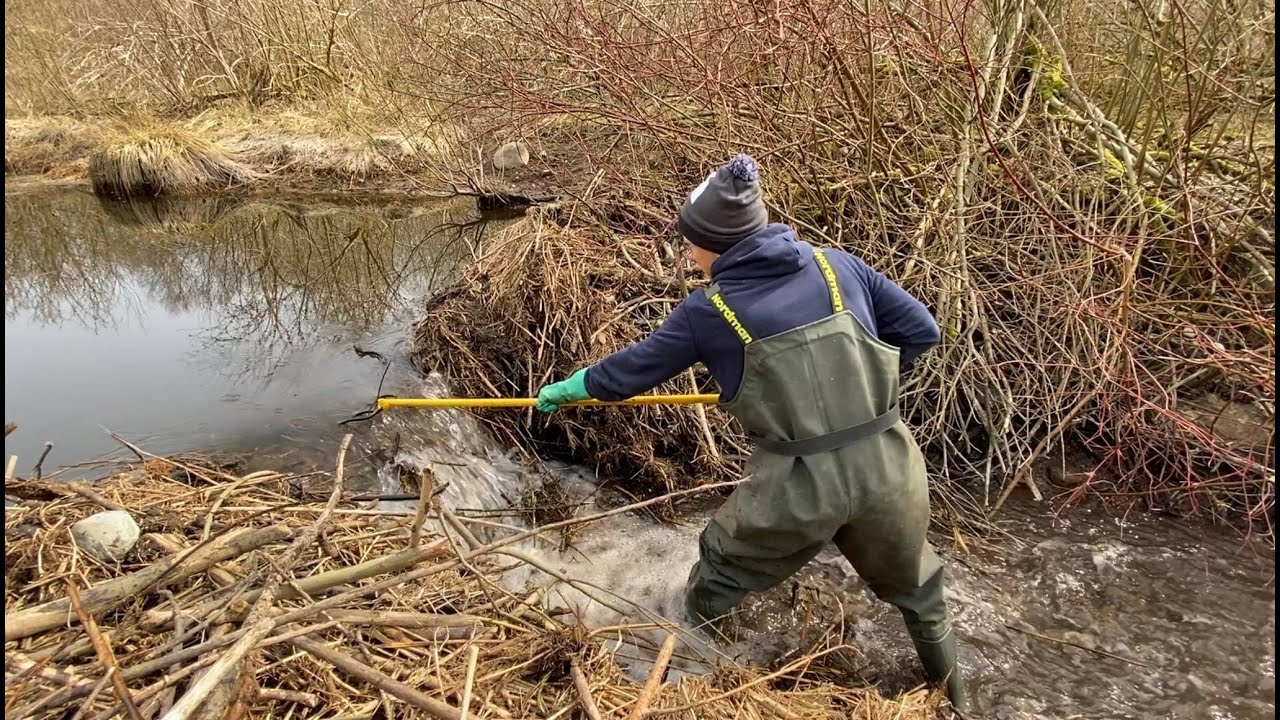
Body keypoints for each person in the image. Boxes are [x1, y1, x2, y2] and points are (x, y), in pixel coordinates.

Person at [534, 154, 968, 712]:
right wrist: (859, 393)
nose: (688, 253)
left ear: (717, 244)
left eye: (691, 242)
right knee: (922, 596)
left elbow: (626, 376)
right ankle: (957, 704)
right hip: (891, 465)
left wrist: (572, 388)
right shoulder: (839, 266)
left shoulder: (709, 312)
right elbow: (921, 331)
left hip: (799, 485)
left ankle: (706, 683)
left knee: (719, 572)